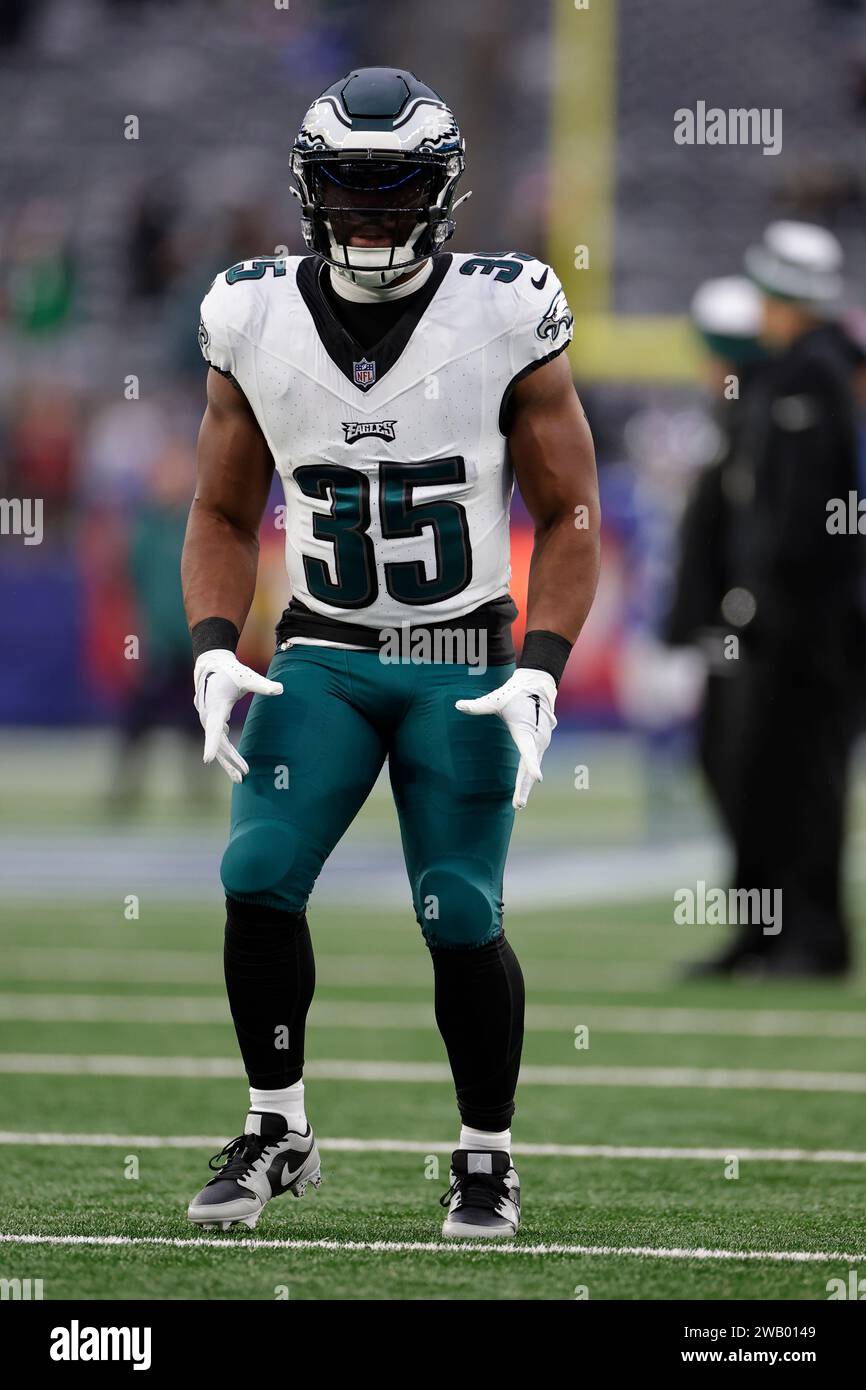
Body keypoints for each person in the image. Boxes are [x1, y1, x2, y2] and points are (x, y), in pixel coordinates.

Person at [180, 68, 600, 1236]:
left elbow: (569, 514)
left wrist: (541, 666)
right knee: (254, 875)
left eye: (396, 189)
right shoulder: (248, 313)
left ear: (443, 191)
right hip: (322, 651)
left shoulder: (506, 307)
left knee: (458, 909)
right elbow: (220, 513)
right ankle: (277, 1126)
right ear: (309, 194)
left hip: (463, 653)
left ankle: (483, 1155)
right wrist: (216, 646)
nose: (370, 216)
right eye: (349, 191)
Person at [687, 223, 866, 977]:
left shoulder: (815, 373)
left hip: (812, 620)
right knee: (759, 772)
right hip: (784, 614)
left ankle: (812, 937)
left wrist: (767, 598)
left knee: (804, 777)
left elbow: (803, 516)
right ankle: (764, 932)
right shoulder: (801, 370)